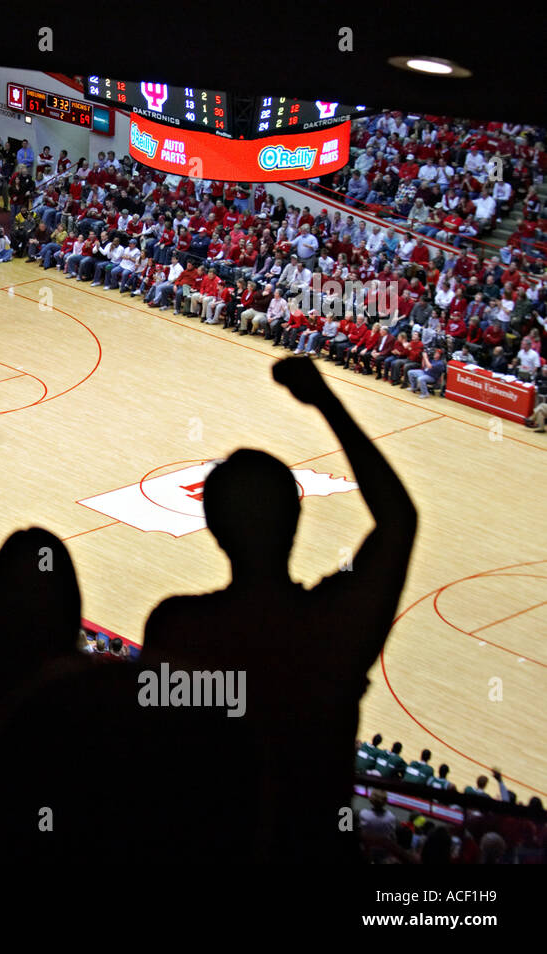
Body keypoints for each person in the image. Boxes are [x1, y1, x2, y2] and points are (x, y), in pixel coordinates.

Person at [140, 356, 417, 863]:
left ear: (216, 529)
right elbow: (399, 519)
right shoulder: (330, 628)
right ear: (295, 521)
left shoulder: (176, 626)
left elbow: (153, 746)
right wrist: (325, 400)